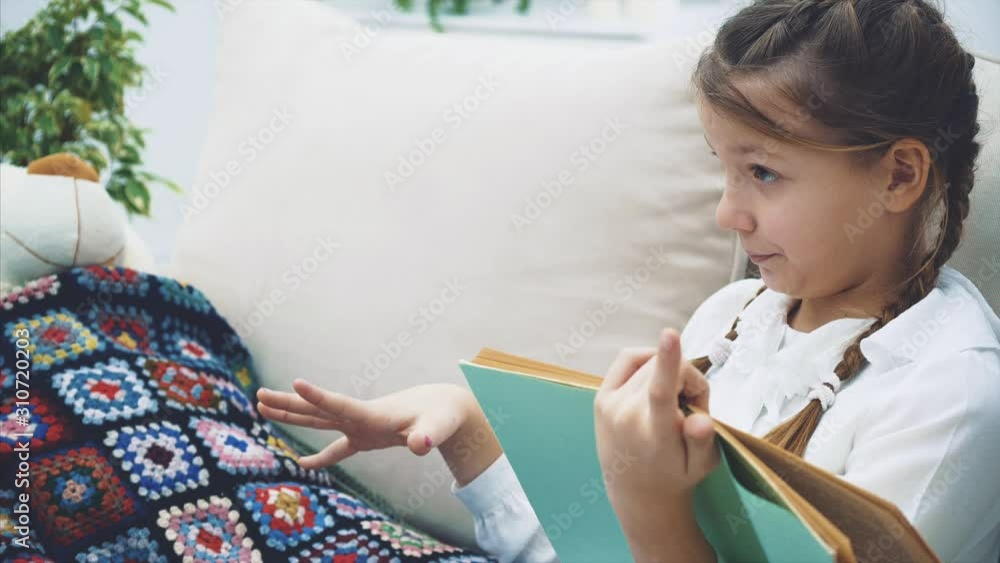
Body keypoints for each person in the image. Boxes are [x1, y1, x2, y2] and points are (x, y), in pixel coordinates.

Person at [256, 0, 1000, 560]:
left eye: (764, 173)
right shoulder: (735, 317)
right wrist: (467, 430)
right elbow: (586, 548)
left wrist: (655, 505)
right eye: (724, 169)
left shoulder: (949, 403)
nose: (726, 214)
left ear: (899, 174)